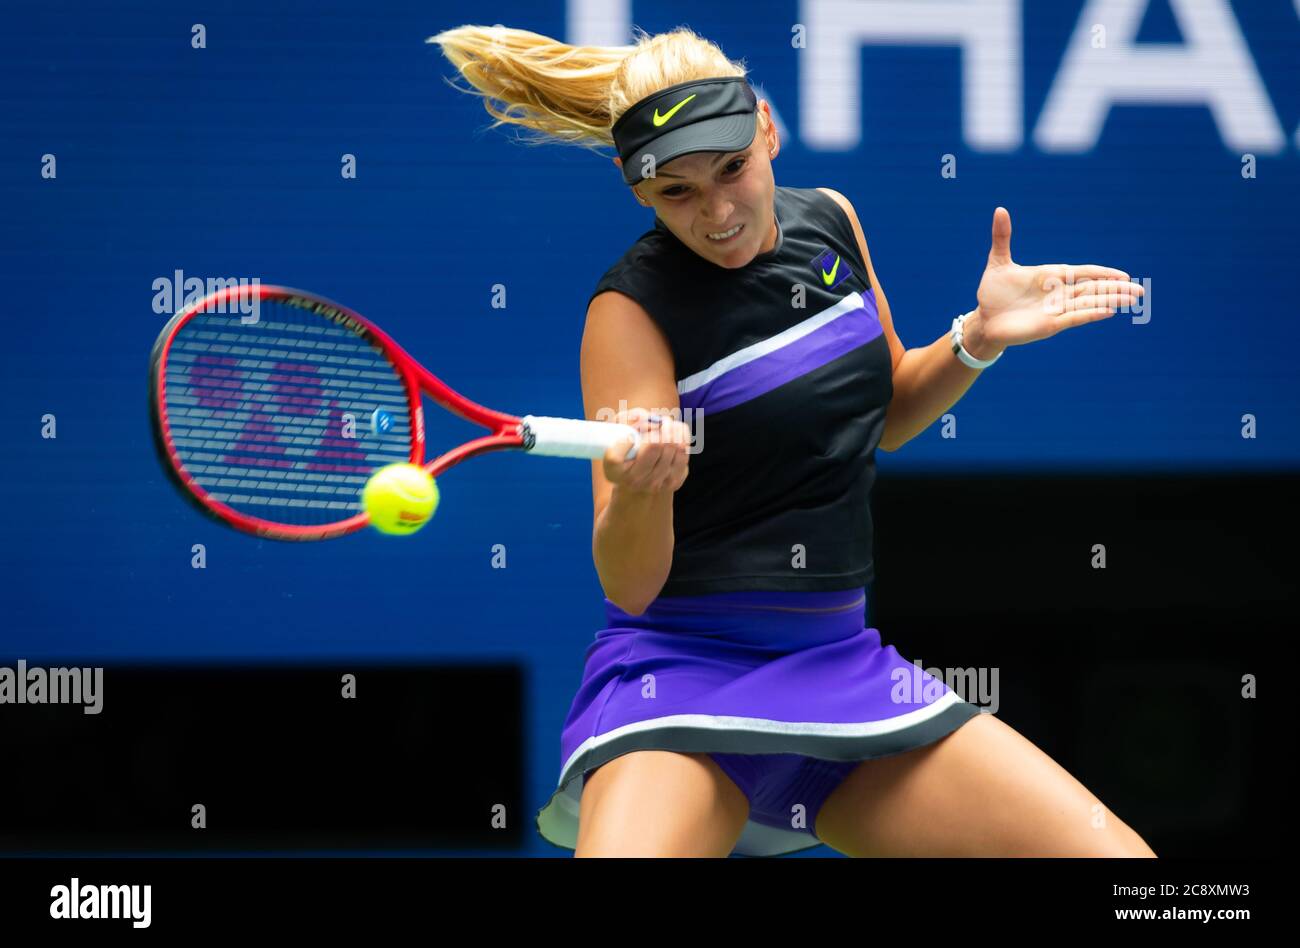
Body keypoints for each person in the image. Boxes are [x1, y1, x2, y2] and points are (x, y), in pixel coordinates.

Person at [429, 23, 1155, 858]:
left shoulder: (832, 224)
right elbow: (631, 584)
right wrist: (643, 486)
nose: (718, 211)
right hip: (681, 687)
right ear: (642, 196)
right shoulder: (629, 313)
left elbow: (887, 416)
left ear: (767, 131)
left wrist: (976, 339)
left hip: (843, 669)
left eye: (732, 168)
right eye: (678, 193)